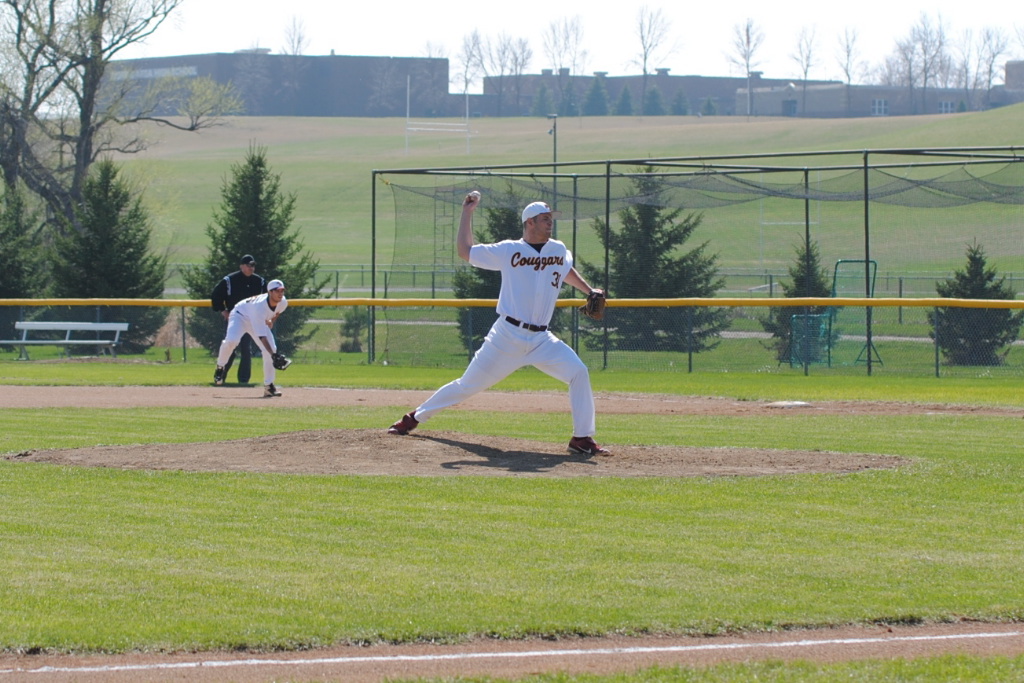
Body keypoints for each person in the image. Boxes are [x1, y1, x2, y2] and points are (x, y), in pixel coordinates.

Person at [387, 192, 610, 456]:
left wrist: (588, 290)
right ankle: (413, 418)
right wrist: (467, 212)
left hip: (542, 339)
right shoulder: (509, 250)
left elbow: (564, 269)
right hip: (507, 337)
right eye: (545, 219)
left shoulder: (557, 249)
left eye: (551, 219)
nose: (550, 223)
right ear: (529, 223)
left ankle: (582, 438)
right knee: (467, 385)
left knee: (578, 372)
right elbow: (465, 251)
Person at [214, 279, 289, 398]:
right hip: (240, 315)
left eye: (282, 290)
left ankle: (269, 386)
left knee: (271, 350)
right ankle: (220, 366)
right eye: (277, 291)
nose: (280, 293)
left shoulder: (283, 302)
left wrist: (271, 320)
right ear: (270, 292)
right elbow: (261, 336)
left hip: (255, 318)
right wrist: (274, 355)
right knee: (232, 341)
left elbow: (277, 312)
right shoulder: (260, 307)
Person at [210, 255, 265, 383]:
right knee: (230, 346)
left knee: (246, 349)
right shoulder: (230, 280)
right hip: (234, 319)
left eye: (253, 265)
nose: (251, 268)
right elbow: (216, 296)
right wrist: (223, 310)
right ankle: (220, 376)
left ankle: (244, 380)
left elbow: (267, 299)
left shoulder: (259, 282)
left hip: (251, 320)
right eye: (248, 265)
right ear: (241, 266)